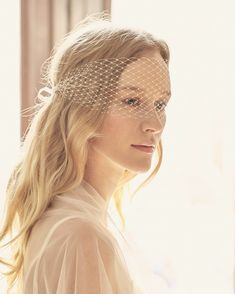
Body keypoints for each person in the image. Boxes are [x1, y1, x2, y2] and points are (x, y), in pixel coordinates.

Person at [0, 14, 172, 294]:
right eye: (131, 100)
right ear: (85, 109)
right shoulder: (82, 235)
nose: (154, 124)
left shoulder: (62, 219)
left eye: (161, 104)